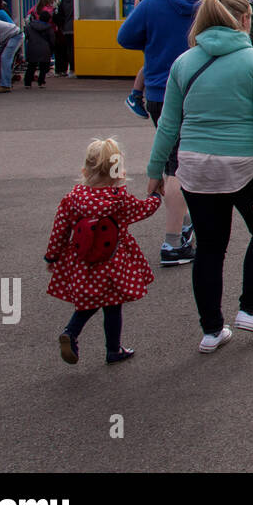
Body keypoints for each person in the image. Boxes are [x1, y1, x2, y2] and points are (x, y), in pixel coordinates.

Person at [146, 0, 253, 354]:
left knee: (211, 247)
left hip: (194, 166)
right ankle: (249, 308)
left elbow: (168, 124)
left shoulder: (184, 62)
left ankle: (212, 330)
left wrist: (154, 171)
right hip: (243, 165)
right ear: (244, 20)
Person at [117, 0, 217, 266]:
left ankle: (183, 226)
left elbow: (125, 38)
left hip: (160, 92)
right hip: (202, 91)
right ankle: (173, 242)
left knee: (174, 160)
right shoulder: (211, 6)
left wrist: (153, 42)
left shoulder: (152, 2)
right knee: (183, 166)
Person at [47, 137, 161, 365]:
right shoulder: (119, 200)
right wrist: (156, 197)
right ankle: (113, 349)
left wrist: (52, 256)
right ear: (119, 172)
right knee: (112, 306)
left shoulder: (73, 199)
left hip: (83, 262)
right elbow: (143, 209)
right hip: (113, 262)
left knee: (89, 302)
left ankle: (71, 332)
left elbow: (60, 229)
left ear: (85, 170)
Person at [126, 0, 187, 118]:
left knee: (149, 63)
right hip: (169, 89)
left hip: (151, 33)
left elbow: (125, 38)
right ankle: (135, 95)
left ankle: (136, 95)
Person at [23, 4, 56, 88]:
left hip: (32, 47)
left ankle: (27, 83)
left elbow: (26, 36)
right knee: (43, 67)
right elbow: (52, 40)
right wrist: (52, 48)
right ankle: (41, 82)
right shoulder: (48, 28)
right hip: (45, 49)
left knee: (31, 66)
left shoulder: (29, 26)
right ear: (48, 19)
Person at [53, 0, 75, 77]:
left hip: (66, 28)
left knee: (68, 49)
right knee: (75, 49)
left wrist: (62, 26)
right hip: (76, 27)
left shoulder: (63, 0)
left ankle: (70, 69)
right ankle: (74, 68)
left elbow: (59, 15)